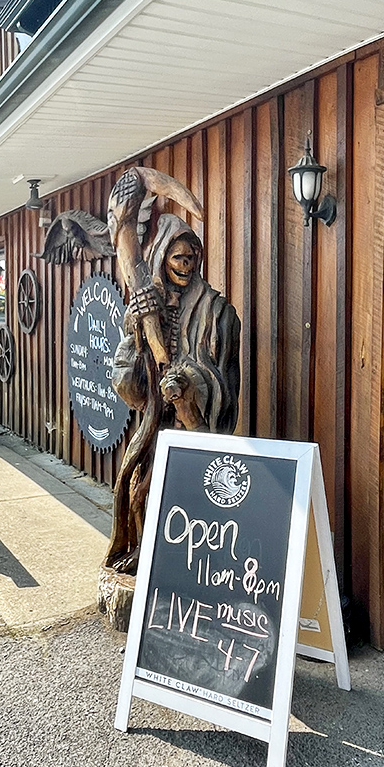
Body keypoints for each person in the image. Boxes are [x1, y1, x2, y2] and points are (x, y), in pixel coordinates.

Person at [106, 208, 241, 573]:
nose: (187, 264)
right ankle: (146, 554)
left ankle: (186, 567)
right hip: (156, 423)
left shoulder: (217, 311)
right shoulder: (149, 308)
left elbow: (224, 376)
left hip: (192, 422)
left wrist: (189, 385)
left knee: (188, 499)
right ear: (162, 257)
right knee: (141, 493)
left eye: (192, 257)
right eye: (179, 257)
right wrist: (136, 332)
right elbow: (127, 385)